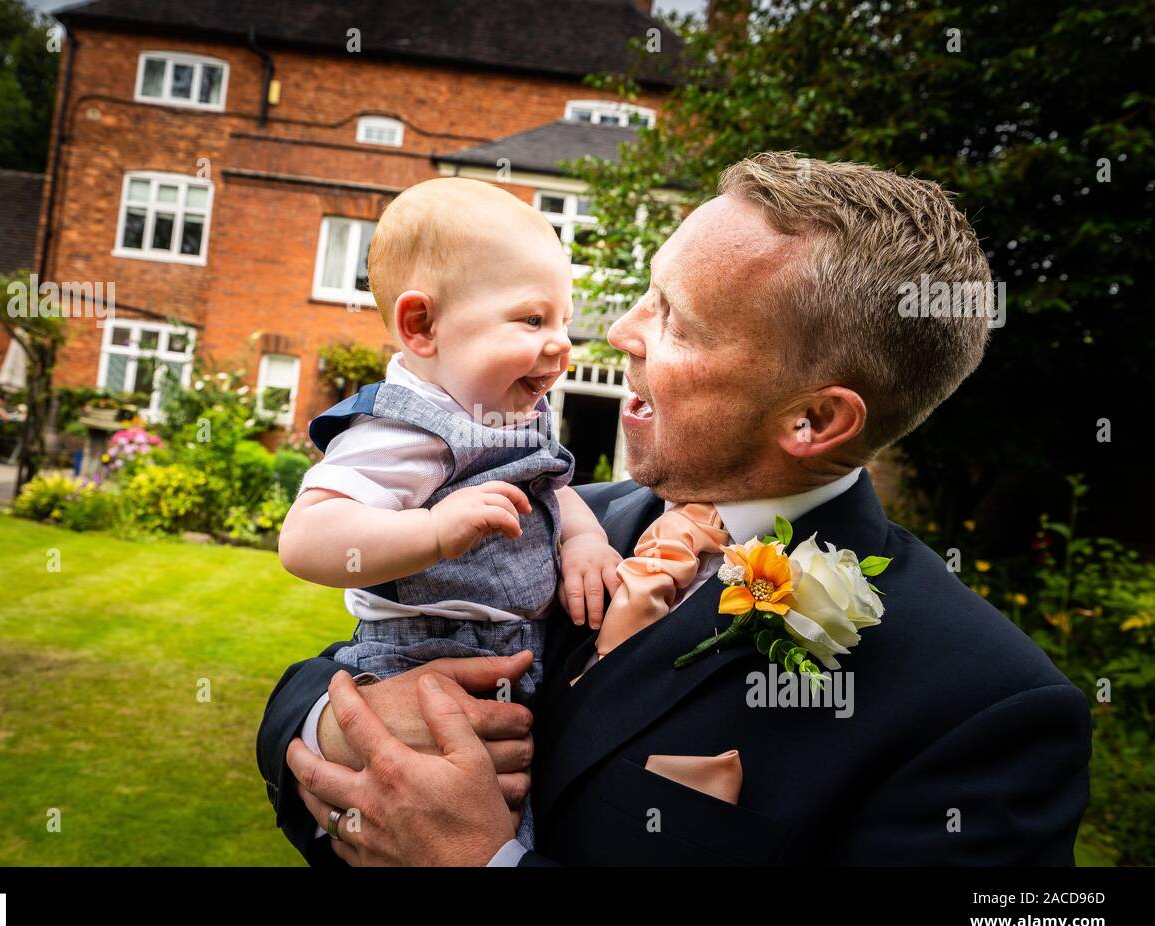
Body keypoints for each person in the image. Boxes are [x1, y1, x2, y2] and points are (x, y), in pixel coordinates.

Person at [259, 153, 1091, 866]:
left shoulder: (987, 716)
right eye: (644, 296)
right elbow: (320, 675)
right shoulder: (556, 518)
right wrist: (342, 728)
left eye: (676, 321)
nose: (618, 331)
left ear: (815, 421)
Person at [276, 177, 622, 850]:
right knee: (425, 833)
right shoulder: (404, 432)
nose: (561, 345)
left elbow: (550, 489)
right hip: (419, 665)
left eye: (561, 321)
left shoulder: (509, 415)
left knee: (517, 824)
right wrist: (431, 532)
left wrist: (582, 539)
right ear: (422, 326)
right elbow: (307, 539)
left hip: (518, 664)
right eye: (531, 320)